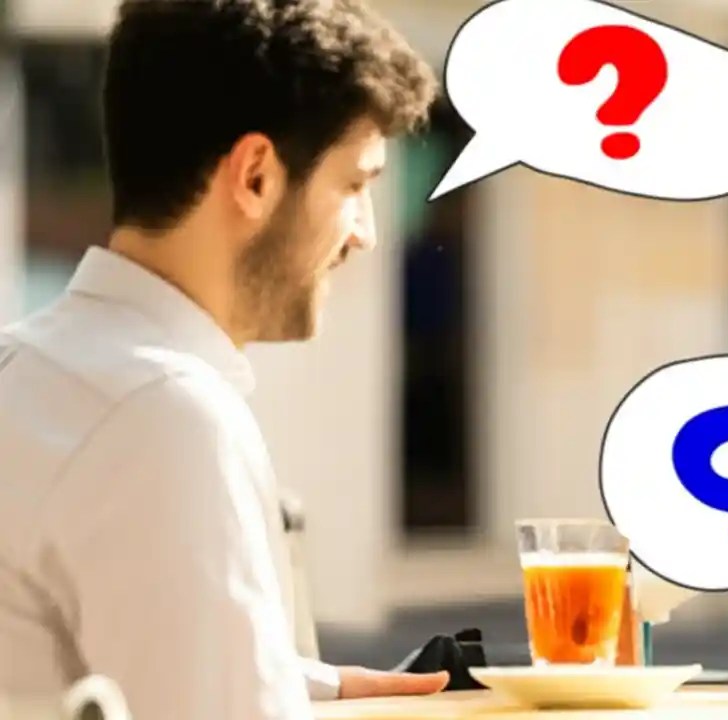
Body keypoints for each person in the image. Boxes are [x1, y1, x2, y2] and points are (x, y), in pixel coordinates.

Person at [0, 0, 451, 717]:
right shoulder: (163, 416)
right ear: (255, 177)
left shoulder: (31, 370)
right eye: (356, 185)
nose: (365, 232)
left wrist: (295, 678)